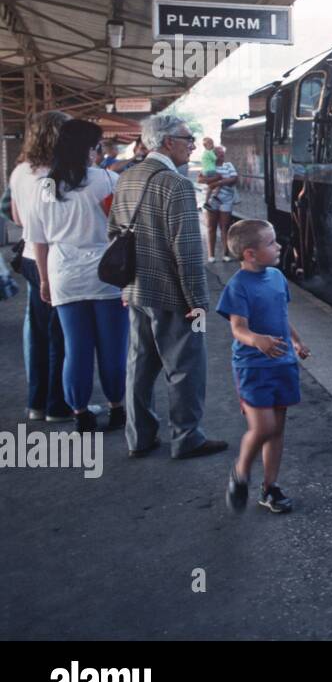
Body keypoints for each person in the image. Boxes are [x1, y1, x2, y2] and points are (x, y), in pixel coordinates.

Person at [109, 114, 227, 459]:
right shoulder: (176, 184)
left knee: (139, 365)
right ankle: (186, 437)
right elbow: (188, 251)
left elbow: (114, 234)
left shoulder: (126, 177)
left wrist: (124, 285)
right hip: (173, 294)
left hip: (135, 291)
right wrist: (198, 301)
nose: (192, 144)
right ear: (166, 142)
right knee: (186, 366)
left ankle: (139, 437)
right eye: (187, 138)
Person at [27, 120, 128, 433]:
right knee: (113, 347)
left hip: (64, 275)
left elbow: (39, 241)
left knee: (76, 348)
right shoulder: (108, 180)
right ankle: (117, 409)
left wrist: (44, 280)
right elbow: (123, 228)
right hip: (106, 275)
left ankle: (81, 413)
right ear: (90, 149)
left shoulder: (44, 187)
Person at [218, 219, 309, 513]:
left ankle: (270, 487)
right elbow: (238, 328)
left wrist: (295, 341)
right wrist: (256, 340)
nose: (279, 245)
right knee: (264, 426)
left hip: (282, 363)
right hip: (253, 367)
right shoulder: (238, 286)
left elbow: (281, 316)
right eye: (270, 243)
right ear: (249, 254)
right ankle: (241, 471)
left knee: (276, 429)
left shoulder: (277, 277)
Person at [6, 111, 72, 422]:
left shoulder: (20, 171)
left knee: (39, 334)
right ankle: (58, 406)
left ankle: (37, 403)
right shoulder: (55, 175)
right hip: (52, 261)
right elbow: (47, 228)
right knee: (60, 335)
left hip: (30, 258)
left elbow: (19, 219)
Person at [200, 145, 238, 263]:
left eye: (222, 153)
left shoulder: (228, 165)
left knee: (224, 227)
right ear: (213, 155)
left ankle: (226, 254)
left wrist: (218, 182)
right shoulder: (209, 167)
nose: (221, 155)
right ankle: (211, 255)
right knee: (211, 227)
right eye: (218, 153)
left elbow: (234, 178)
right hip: (212, 200)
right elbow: (200, 180)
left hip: (226, 199)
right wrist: (215, 179)